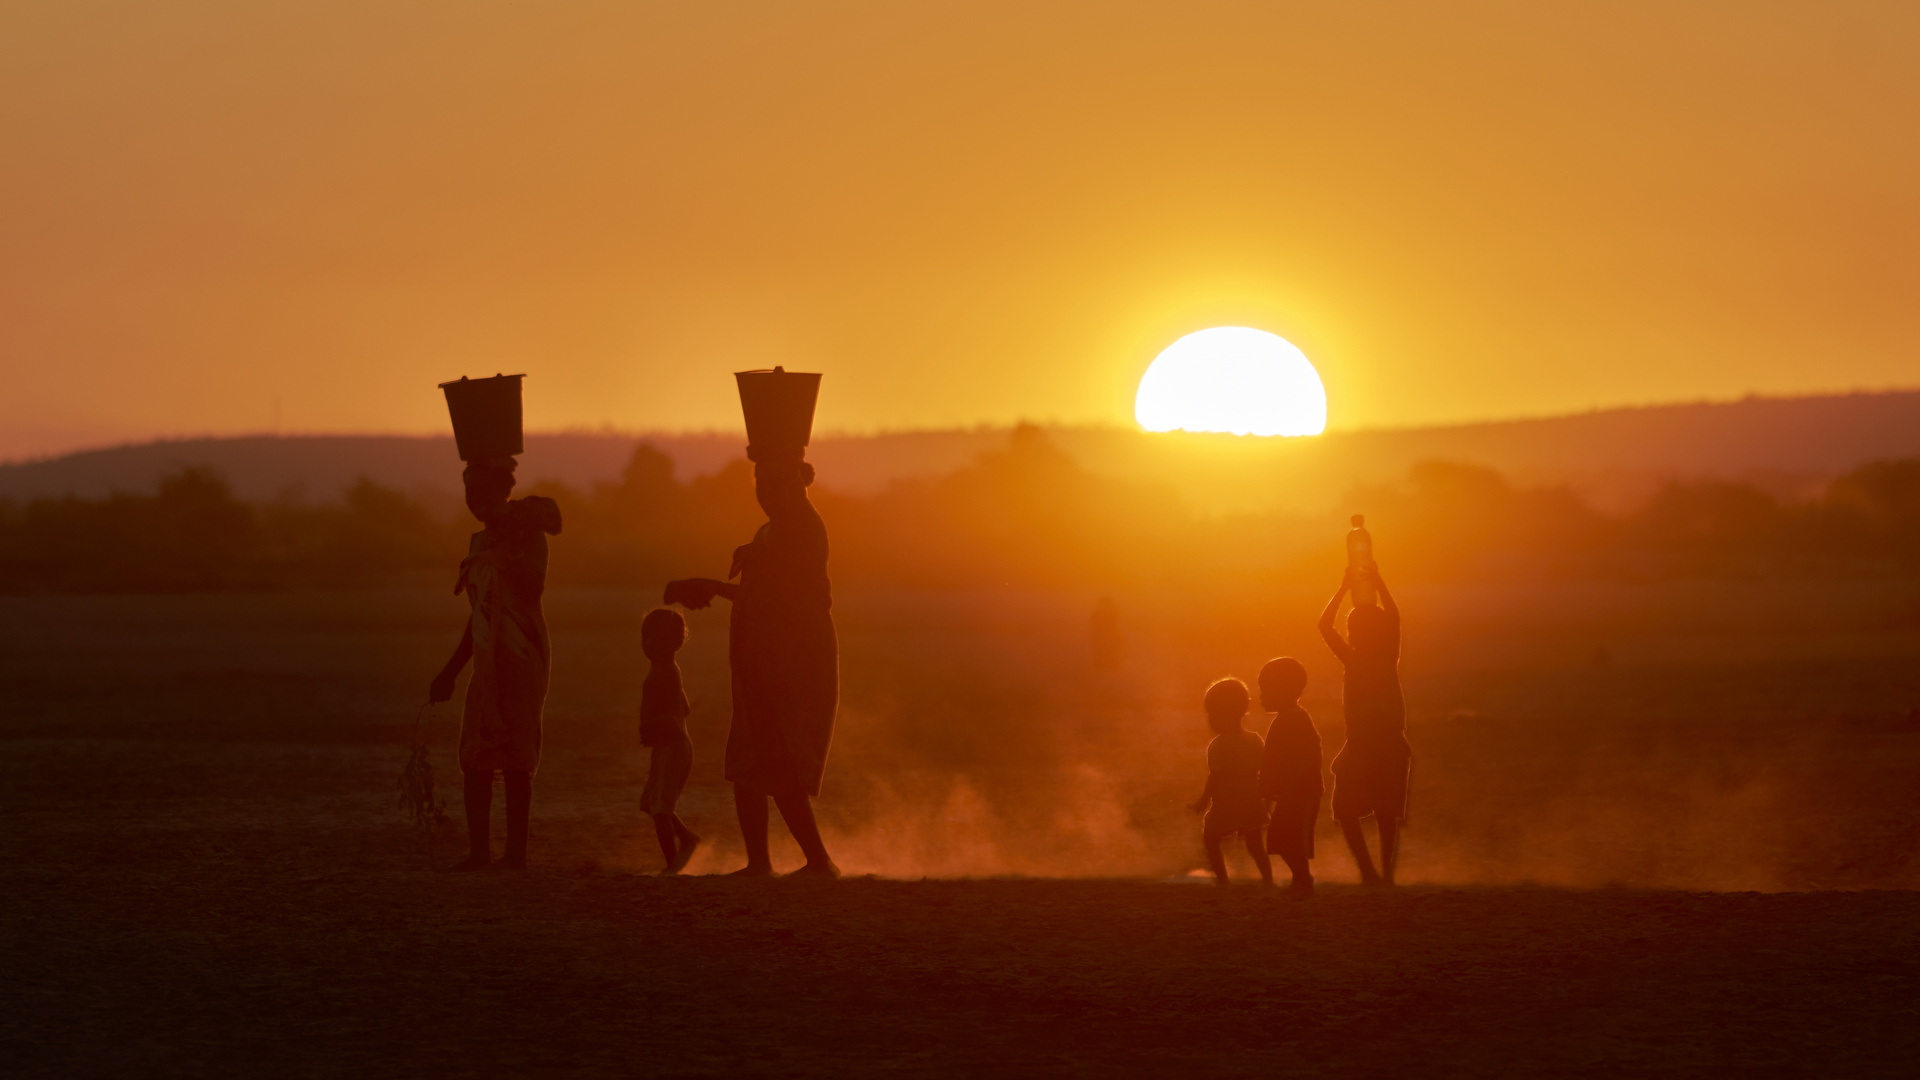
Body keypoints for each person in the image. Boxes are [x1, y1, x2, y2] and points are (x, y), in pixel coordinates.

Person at [664, 456, 839, 877]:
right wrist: (711, 588)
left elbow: (785, 602)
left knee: (779, 758)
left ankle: (818, 861)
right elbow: (758, 596)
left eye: (773, 482)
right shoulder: (774, 529)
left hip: (792, 661)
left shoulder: (802, 530)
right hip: (763, 659)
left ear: (797, 483)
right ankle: (759, 861)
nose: (764, 492)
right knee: (749, 760)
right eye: (759, 482)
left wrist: (711, 588)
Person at [429, 455, 562, 872]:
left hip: (523, 654)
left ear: (505, 490)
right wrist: (451, 671)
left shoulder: (530, 536)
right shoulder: (477, 543)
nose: (476, 499)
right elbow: (480, 614)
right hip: (488, 659)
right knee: (476, 751)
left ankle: (516, 856)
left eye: (485, 491)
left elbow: (530, 588)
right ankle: (480, 853)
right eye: (470, 491)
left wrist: (511, 548)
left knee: (518, 754)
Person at [1317, 564, 1411, 886]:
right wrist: (1354, 587)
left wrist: (1361, 586)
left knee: (1376, 814)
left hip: (1381, 743)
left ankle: (1378, 873)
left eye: (1358, 629)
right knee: (1357, 812)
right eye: (1353, 629)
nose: (1353, 634)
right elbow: (1326, 626)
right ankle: (1375, 873)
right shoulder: (1364, 658)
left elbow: (1327, 626)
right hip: (1367, 744)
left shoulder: (1381, 657)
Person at [1189, 677, 1274, 888]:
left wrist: (1203, 800)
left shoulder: (1218, 746)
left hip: (1227, 802)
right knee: (1255, 845)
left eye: (1212, 713)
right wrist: (1267, 801)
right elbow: (1265, 773)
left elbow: (1216, 777)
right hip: (1252, 800)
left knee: (1210, 838)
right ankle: (1268, 880)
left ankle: (1223, 880)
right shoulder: (1255, 740)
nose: (1210, 719)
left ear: (1221, 715)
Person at [639, 607, 701, 874]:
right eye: (645, 638)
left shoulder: (664, 673)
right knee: (651, 803)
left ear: (673, 643)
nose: (648, 644)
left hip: (672, 747)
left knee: (661, 811)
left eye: (654, 639)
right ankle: (686, 838)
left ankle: (672, 864)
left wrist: (652, 727)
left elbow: (674, 716)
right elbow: (684, 708)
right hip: (669, 747)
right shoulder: (668, 671)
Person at [1257, 657, 1323, 897]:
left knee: (1291, 837)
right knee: (1282, 837)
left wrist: (1290, 787)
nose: (1261, 697)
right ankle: (1301, 878)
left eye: (1266, 690)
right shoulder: (1287, 718)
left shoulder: (1294, 718)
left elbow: (1302, 758)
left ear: (1283, 690)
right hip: (1290, 793)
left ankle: (1303, 880)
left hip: (1300, 793)